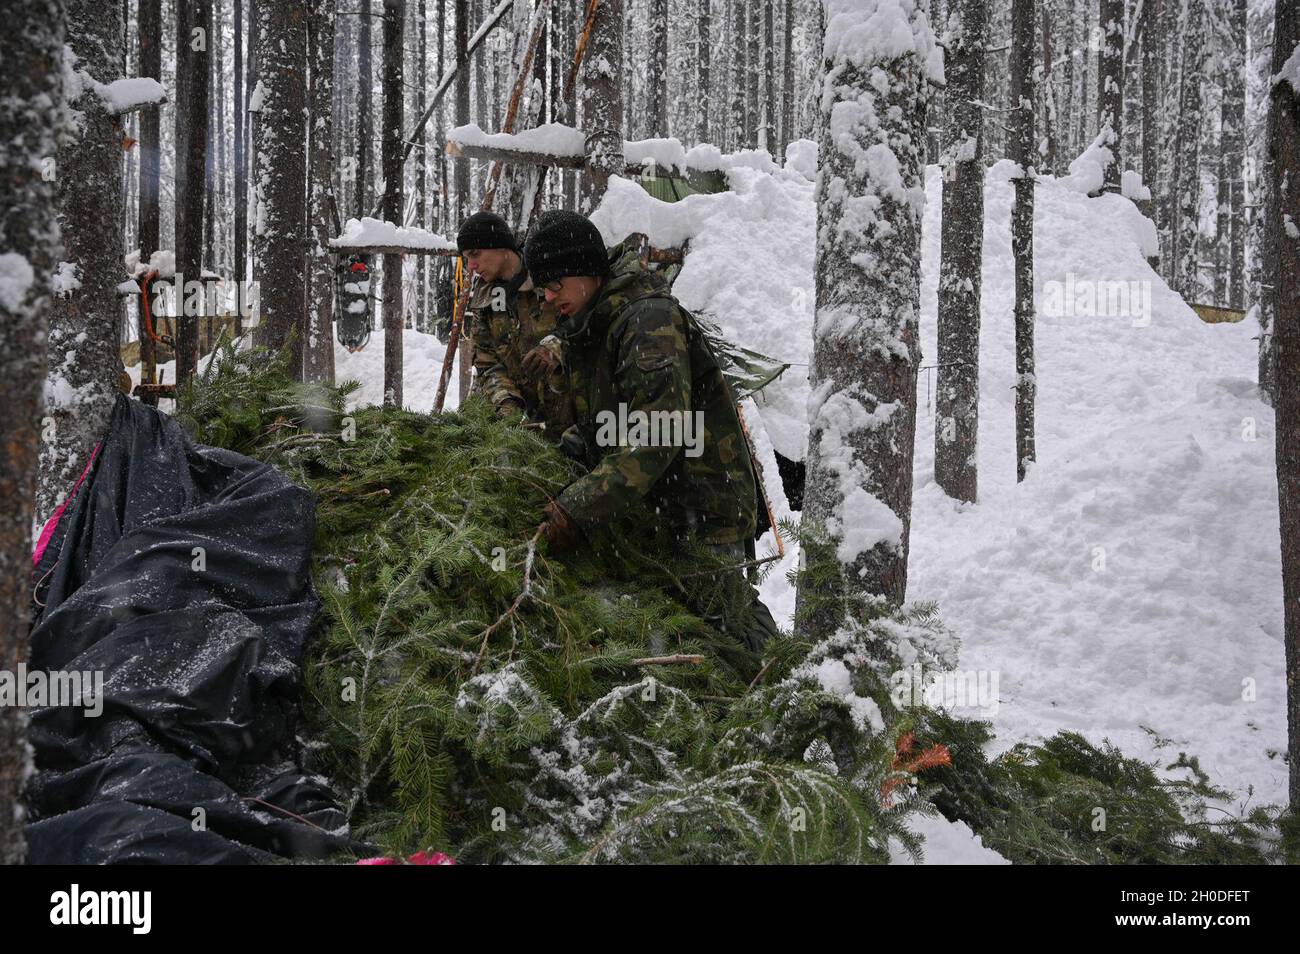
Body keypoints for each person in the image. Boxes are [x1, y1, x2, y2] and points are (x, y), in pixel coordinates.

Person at [522, 210, 779, 655]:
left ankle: (791, 696)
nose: (547, 296)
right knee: (681, 633)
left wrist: (576, 507)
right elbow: (604, 425)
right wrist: (547, 460)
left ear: (584, 270)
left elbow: (657, 435)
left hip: (701, 505)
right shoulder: (593, 322)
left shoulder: (647, 321)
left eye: (555, 283)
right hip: (658, 504)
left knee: (725, 624)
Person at [456, 211, 572, 434]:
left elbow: (584, 327)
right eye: (467, 258)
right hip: (526, 428)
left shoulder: (549, 278)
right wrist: (506, 404)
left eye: (475, 254)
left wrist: (555, 347)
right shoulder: (484, 299)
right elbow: (487, 362)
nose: (471, 266)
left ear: (500, 245)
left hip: (572, 418)